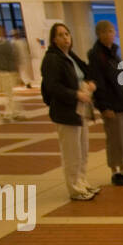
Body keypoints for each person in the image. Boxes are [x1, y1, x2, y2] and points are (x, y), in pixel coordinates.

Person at [40, 22, 100, 201]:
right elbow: (53, 86)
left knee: (83, 149)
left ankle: (82, 181)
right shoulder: (52, 59)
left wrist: (90, 82)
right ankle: (74, 187)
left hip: (80, 111)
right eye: (60, 35)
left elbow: (86, 71)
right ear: (53, 39)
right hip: (66, 112)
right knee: (71, 152)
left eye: (67, 34)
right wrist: (75, 94)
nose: (65, 38)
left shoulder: (70, 56)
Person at [87, 20, 123, 185]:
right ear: (99, 34)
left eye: (111, 31)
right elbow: (98, 83)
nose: (109, 34)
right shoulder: (97, 55)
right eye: (105, 32)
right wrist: (104, 106)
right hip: (111, 104)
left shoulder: (114, 53)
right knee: (114, 139)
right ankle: (115, 171)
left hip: (122, 101)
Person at [0, 25, 24, 121]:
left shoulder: (8, 44)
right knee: (6, 94)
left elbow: (14, 58)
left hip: (7, 72)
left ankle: (10, 113)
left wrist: (16, 72)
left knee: (9, 94)